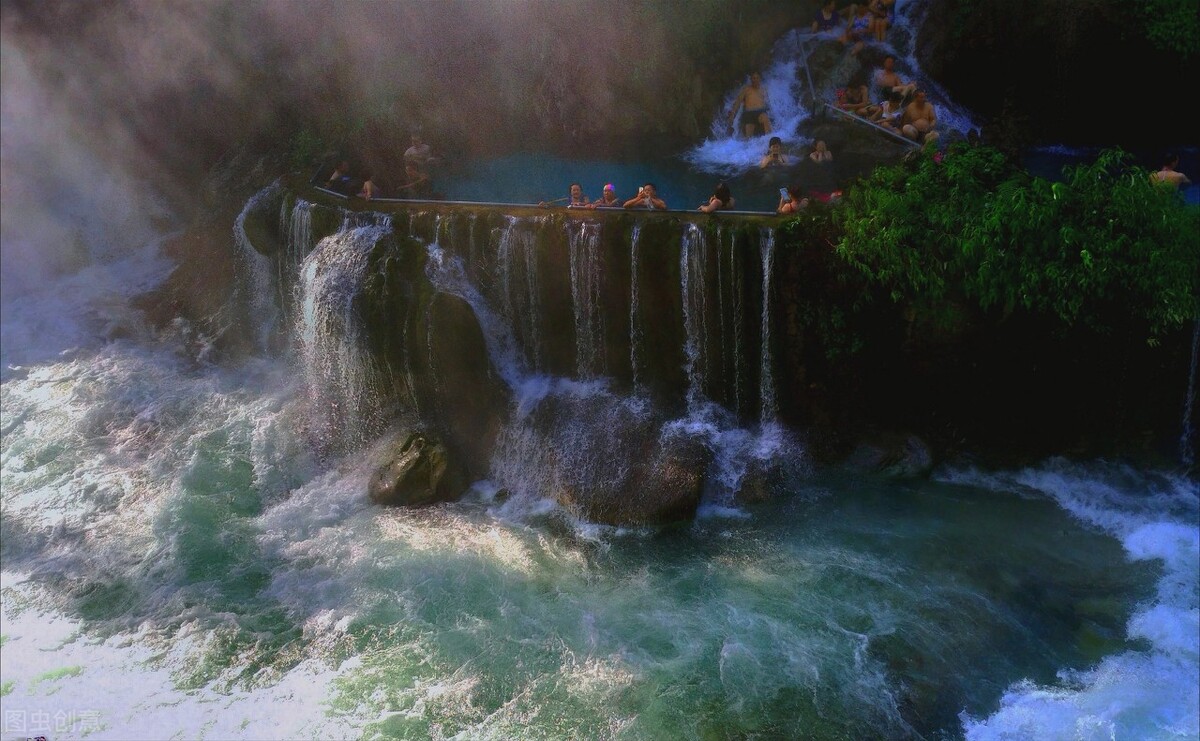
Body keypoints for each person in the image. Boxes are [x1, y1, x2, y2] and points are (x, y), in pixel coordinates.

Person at [727, 72, 771, 138]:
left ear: (760, 79)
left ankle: (770, 139)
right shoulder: (746, 89)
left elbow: (767, 103)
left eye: (757, 78)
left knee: (765, 118)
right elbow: (738, 102)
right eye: (753, 78)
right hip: (749, 113)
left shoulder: (763, 90)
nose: (755, 80)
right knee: (749, 138)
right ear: (751, 79)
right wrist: (732, 115)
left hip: (760, 112)